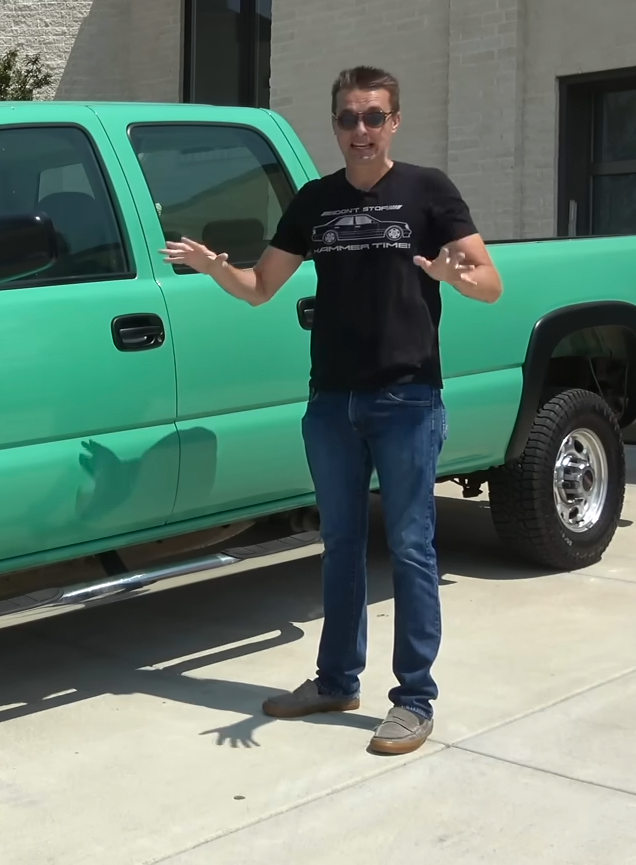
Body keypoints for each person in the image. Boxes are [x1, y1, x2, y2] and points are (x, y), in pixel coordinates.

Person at [164, 66, 503, 756]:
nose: (361, 130)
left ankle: (414, 700)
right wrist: (215, 267)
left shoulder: (428, 190)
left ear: (394, 122)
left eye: (374, 117)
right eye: (349, 118)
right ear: (336, 125)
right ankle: (336, 680)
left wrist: (452, 276)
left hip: (407, 397)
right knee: (342, 544)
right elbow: (260, 286)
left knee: (410, 547)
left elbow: (491, 283)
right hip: (332, 403)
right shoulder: (315, 201)